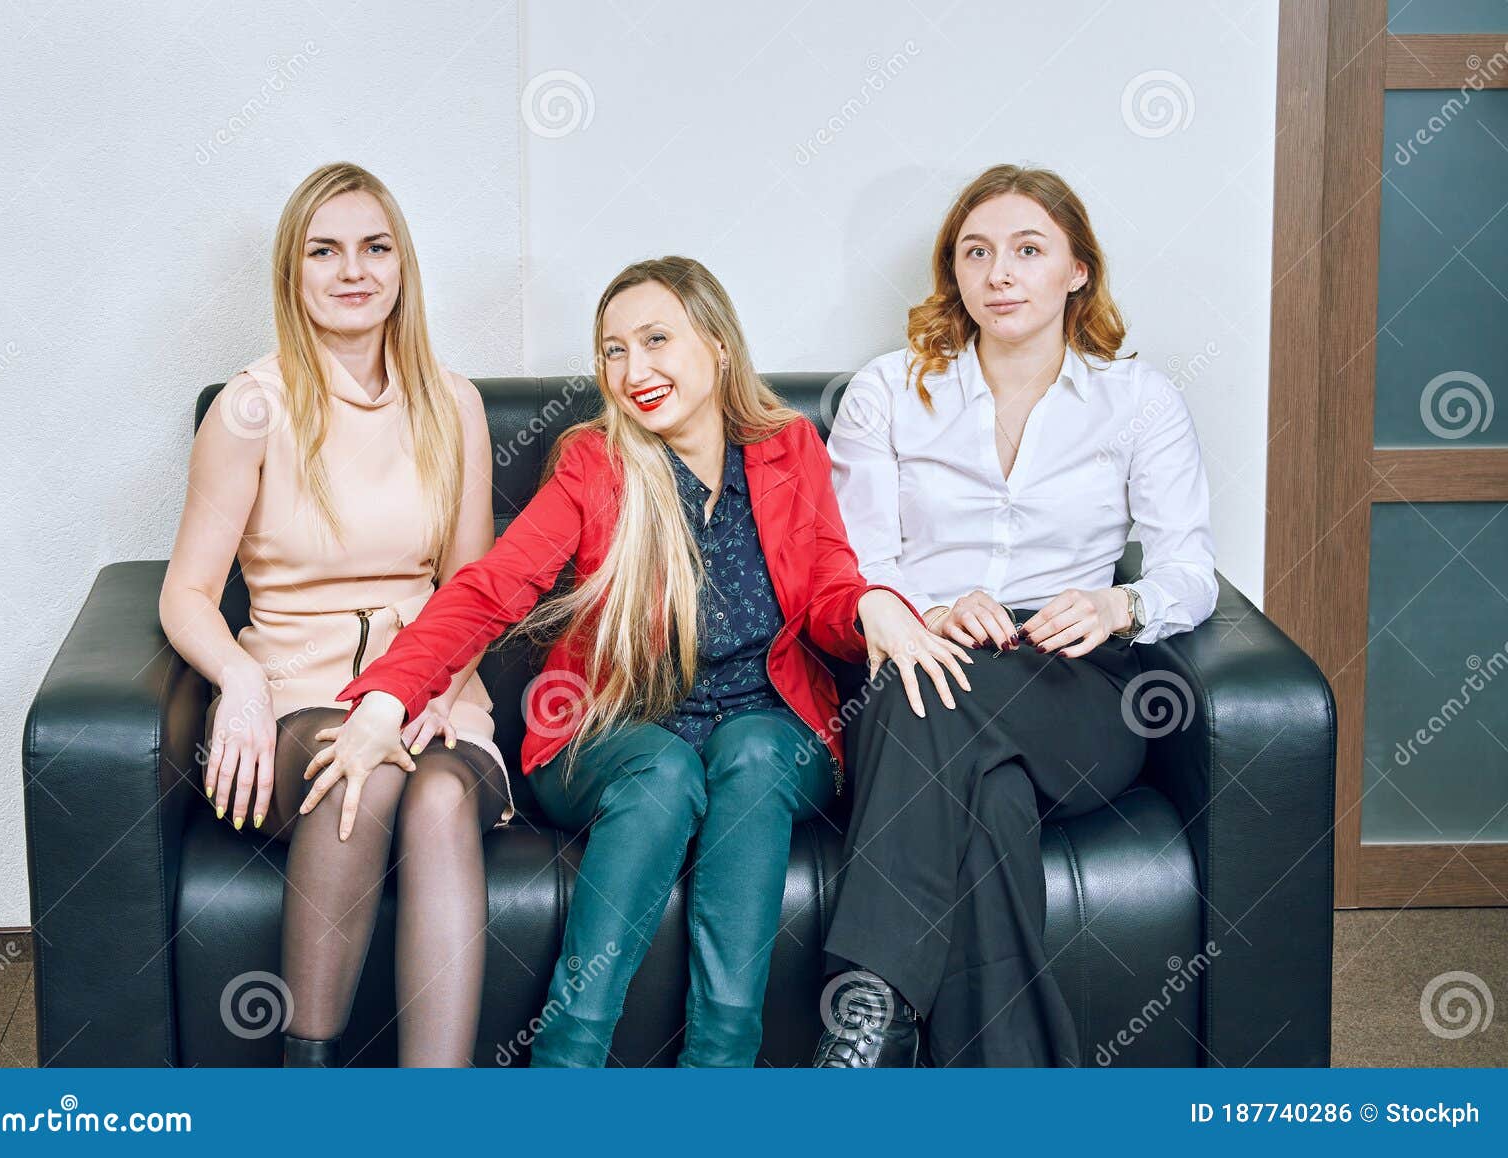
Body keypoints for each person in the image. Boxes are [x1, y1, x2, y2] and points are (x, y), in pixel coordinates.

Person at [311, 256, 966, 1066]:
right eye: (614, 351)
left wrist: (872, 607)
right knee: (663, 770)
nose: (633, 370)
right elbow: (491, 588)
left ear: (718, 345)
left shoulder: (789, 446)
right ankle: (565, 1066)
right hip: (611, 736)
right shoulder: (596, 462)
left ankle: (718, 1070)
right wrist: (386, 701)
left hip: (764, 731)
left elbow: (831, 585)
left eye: (657, 339)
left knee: (754, 749)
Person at [814, 163, 1219, 1067]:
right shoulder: (887, 391)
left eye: (1027, 250)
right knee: (987, 800)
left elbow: (1191, 569)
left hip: (1076, 681)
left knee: (929, 708)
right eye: (977, 252)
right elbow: (858, 563)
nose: (1000, 272)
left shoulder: (1139, 400)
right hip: (930, 651)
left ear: (1078, 270)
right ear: (954, 274)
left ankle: (864, 1016)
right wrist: (928, 609)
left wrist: (1121, 602)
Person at [159, 162, 512, 1067]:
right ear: (294, 271)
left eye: (374, 248)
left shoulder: (454, 402)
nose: (353, 270)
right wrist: (236, 677)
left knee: (435, 794)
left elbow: (470, 592)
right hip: (295, 699)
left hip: (433, 691)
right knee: (369, 772)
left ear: (401, 267)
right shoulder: (250, 408)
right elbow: (185, 592)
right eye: (326, 251)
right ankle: (305, 1082)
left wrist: (437, 690)